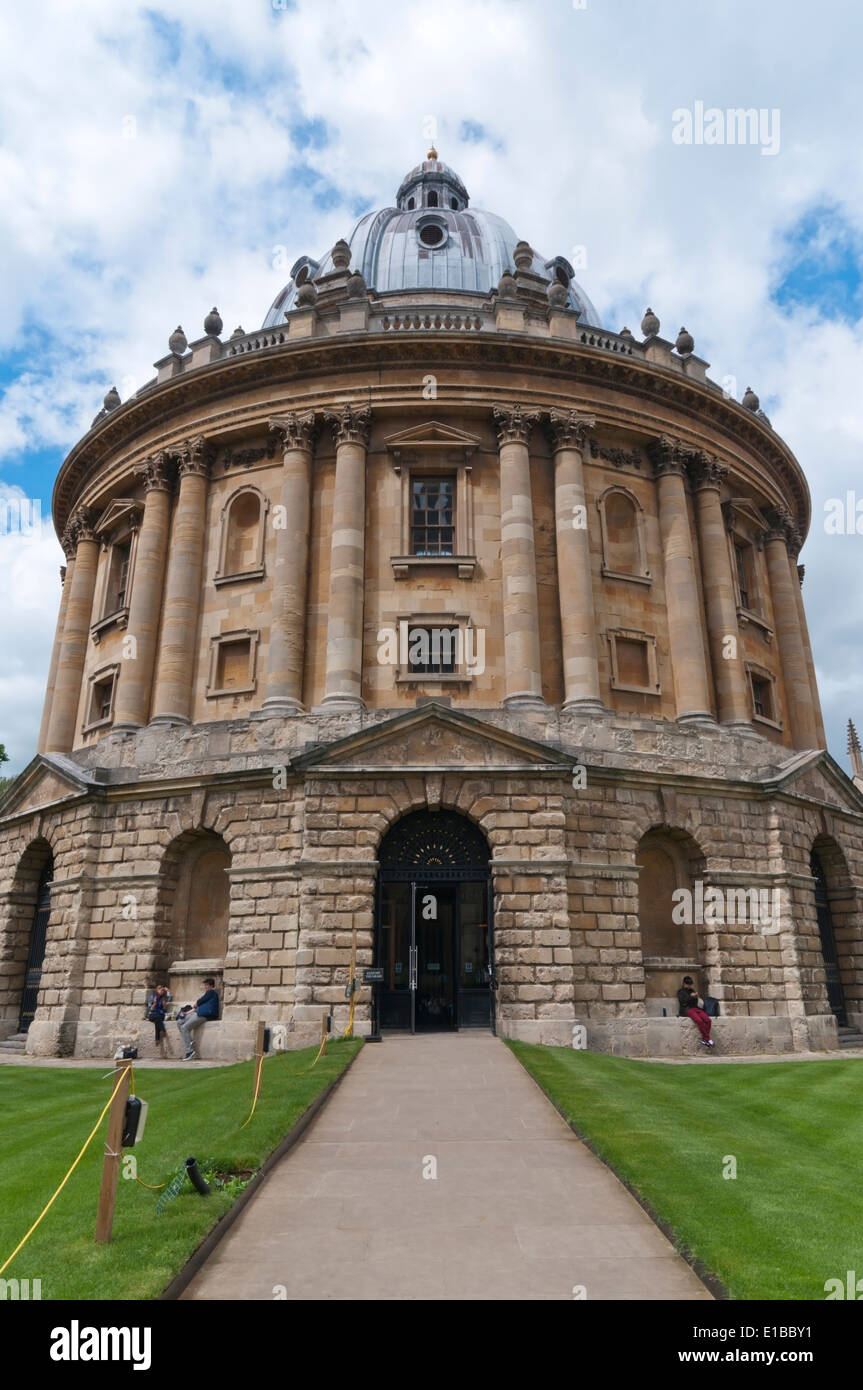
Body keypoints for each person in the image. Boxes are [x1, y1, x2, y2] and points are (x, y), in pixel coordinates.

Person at [177, 977, 220, 1060]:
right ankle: (190, 1041)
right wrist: (187, 1013)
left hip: (203, 1016)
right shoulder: (208, 995)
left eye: (207, 985)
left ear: (211, 986)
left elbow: (199, 1001)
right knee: (179, 1022)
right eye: (205, 985)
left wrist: (196, 1003)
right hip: (197, 1013)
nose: (205, 987)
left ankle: (189, 1051)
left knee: (184, 1027)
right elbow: (196, 1007)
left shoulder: (211, 992)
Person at [678, 975, 715, 1049]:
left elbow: (695, 1002)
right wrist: (690, 996)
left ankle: (705, 1039)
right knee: (700, 1021)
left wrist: (695, 996)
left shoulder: (692, 991)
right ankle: (708, 1039)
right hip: (687, 1009)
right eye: (688, 984)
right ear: (684, 984)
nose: (689, 986)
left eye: (690, 984)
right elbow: (683, 1002)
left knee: (708, 1020)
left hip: (696, 1008)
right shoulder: (680, 991)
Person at [147, 983, 172, 1054]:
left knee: (157, 1020)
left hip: (160, 1015)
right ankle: (163, 1030)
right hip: (152, 1014)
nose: (161, 990)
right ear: (156, 990)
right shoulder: (152, 997)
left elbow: (170, 998)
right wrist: (154, 1004)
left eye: (162, 989)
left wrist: (168, 991)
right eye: (159, 988)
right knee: (157, 1017)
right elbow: (150, 1009)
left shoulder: (164, 998)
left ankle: (157, 1039)